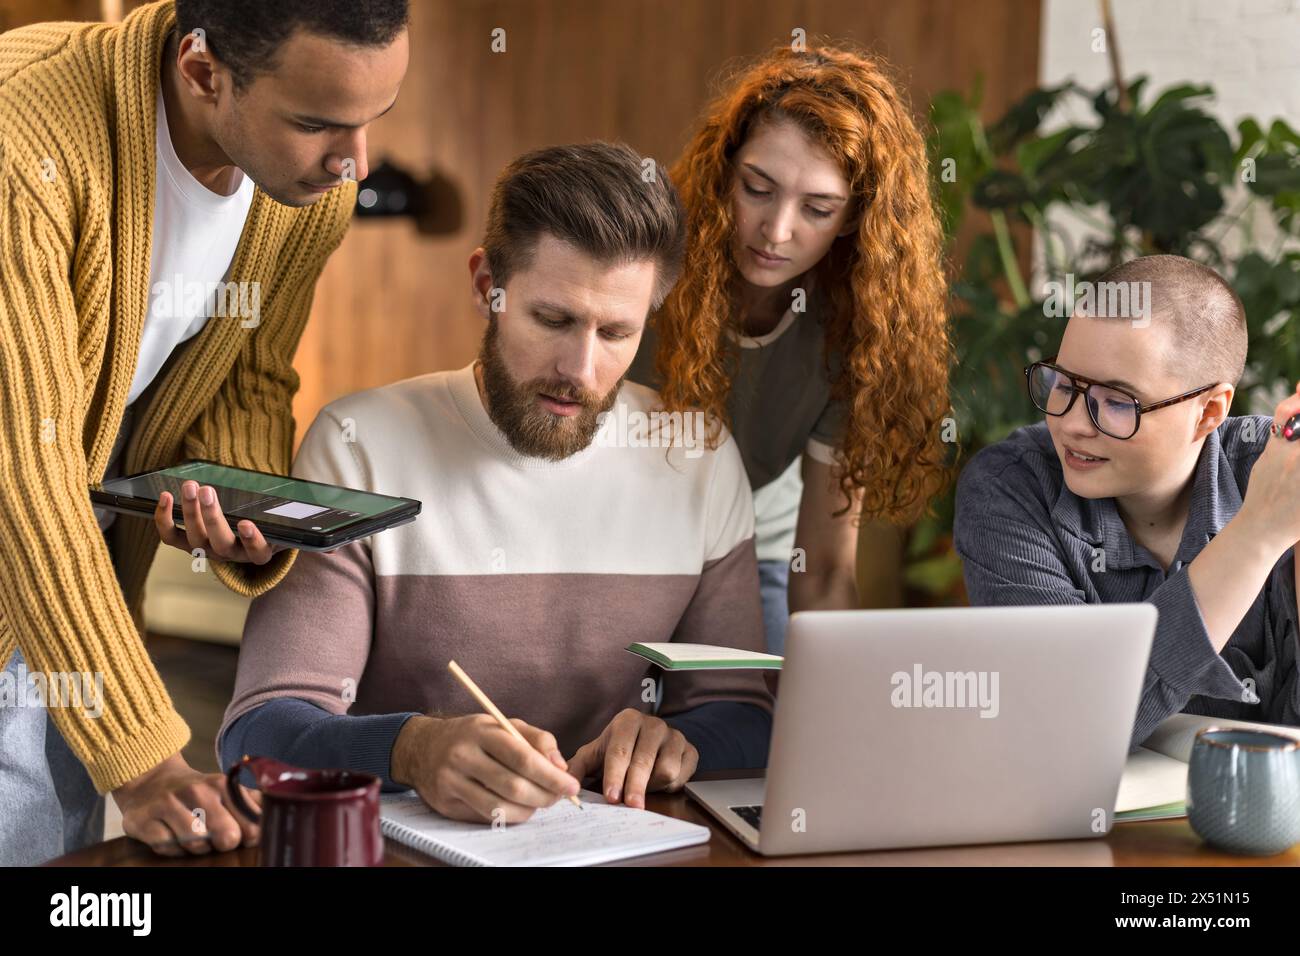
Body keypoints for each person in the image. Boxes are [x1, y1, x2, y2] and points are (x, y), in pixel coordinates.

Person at [218, 142, 774, 822]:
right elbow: (257, 737)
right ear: (487, 286)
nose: (582, 369)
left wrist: (683, 741)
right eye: (553, 320)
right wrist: (409, 751)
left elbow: (748, 719)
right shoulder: (359, 447)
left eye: (617, 333)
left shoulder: (699, 455)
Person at [0, 0, 408, 863]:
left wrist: (246, 501)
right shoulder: (20, 142)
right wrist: (146, 759)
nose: (352, 163)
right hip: (25, 511)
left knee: (62, 854)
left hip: (76, 561)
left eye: (375, 120)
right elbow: (22, 473)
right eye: (317, 123)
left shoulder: (304, 195)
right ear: (201, 70)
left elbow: (250, 371)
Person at [627, 42, 952, 653]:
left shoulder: (861, 336)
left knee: (764, 722)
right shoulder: (645, 271)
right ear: (725, 171)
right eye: (757, 188)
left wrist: (840, 703)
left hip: (751, 551)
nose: (777, 232)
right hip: (605, 547)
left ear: (857, 218)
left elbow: (825, 572)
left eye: (818, 208)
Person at [955, 254, 1300, 748]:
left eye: (1117, 403)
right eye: (1064, 384)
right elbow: (1070, 723)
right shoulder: (1009, 490)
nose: (1072, 424)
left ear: (1209, 412)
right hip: (1071, 822)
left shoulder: (1278, 474)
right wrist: (1257, 536)